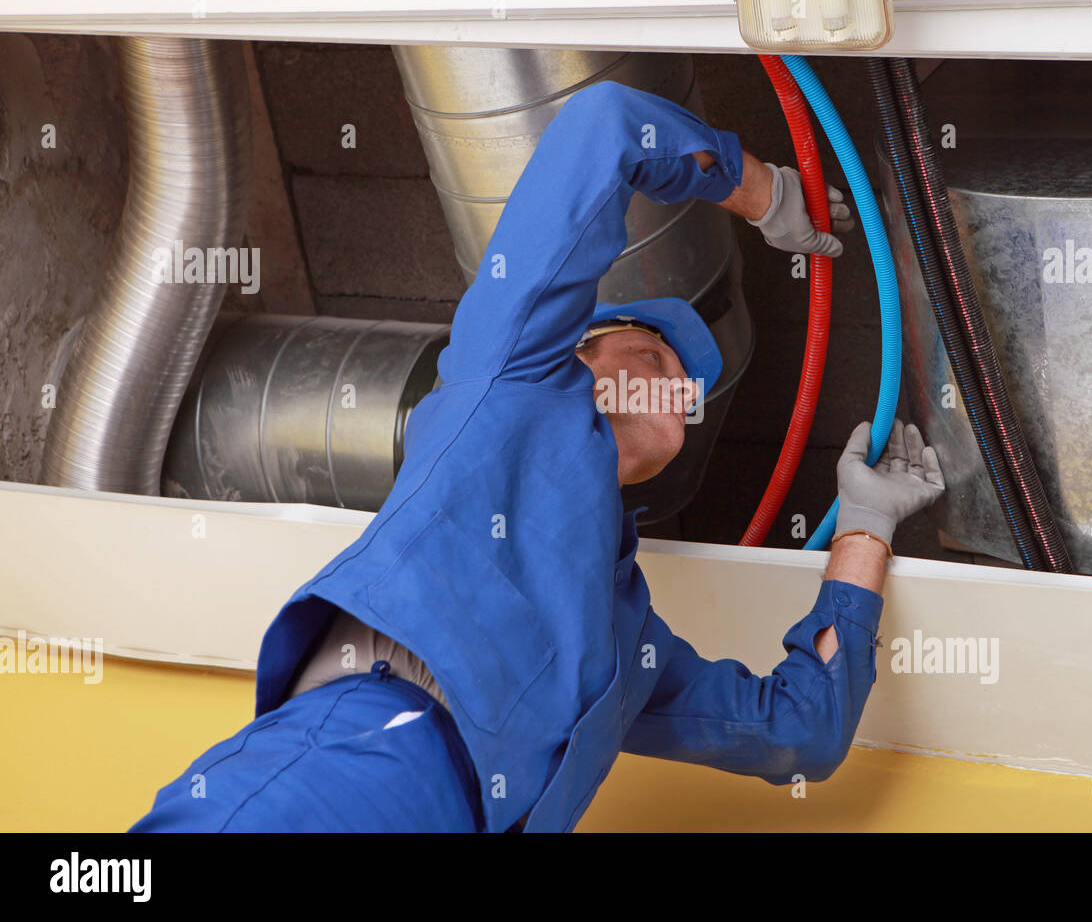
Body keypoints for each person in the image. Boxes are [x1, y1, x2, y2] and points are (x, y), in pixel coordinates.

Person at [129, 80, 944, 834]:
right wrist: (763, 192)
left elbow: (798, 732)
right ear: (581, 351)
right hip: (357, 761)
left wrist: (864, 529)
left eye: (694, 395)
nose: (683, 388)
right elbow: (604, 129)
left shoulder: (629, 637)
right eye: (658, 355)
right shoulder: (506, 379)